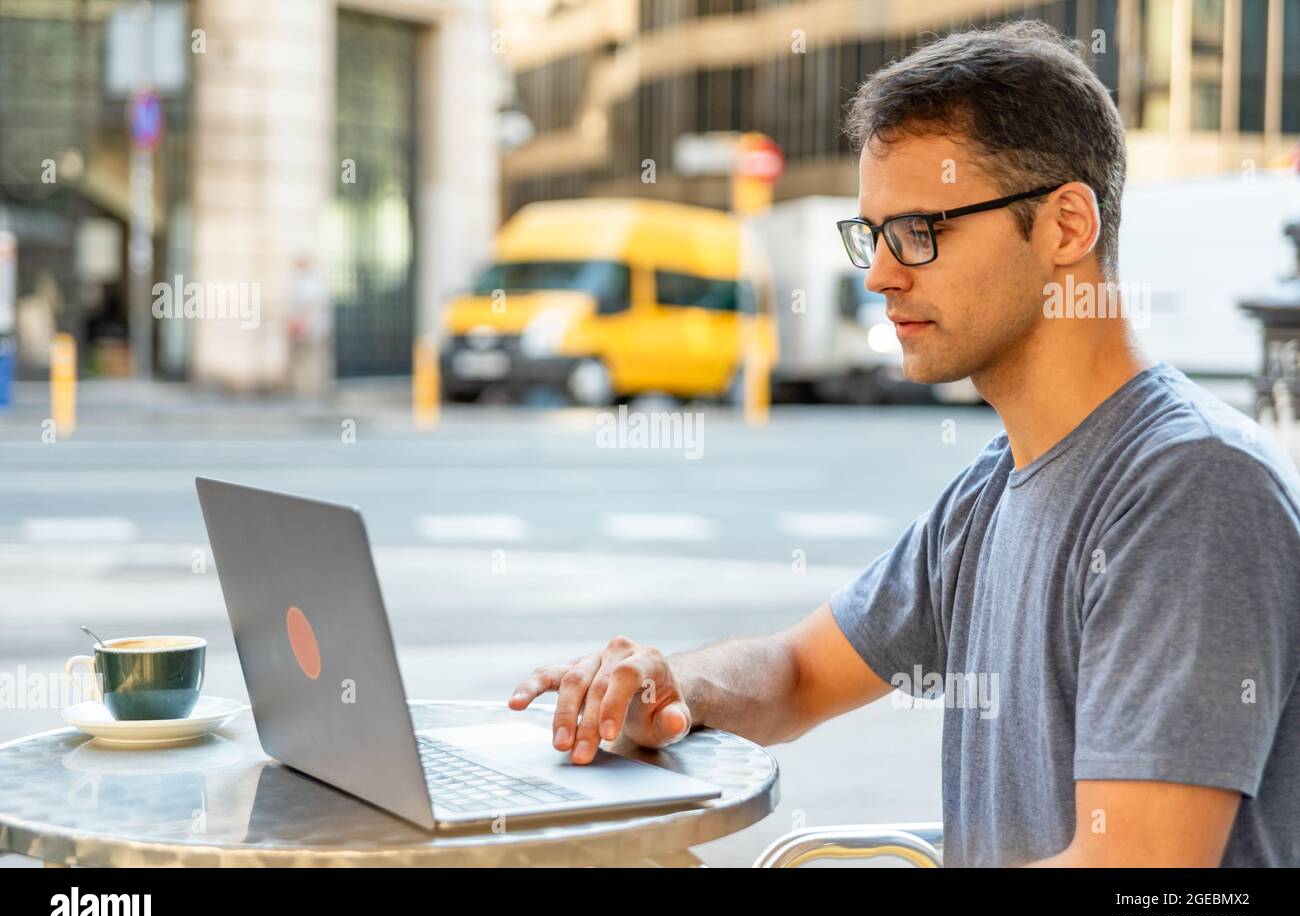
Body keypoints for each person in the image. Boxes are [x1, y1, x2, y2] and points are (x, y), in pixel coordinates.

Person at [507, 20, 1300, 867]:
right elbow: (799, 674)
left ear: (1067, 226)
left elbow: (1139, 879)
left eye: (921, 229)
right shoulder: (994, 489)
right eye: (872, 235)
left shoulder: (1191, 488)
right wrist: (673, 685)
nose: (881, 273)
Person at [286, 254, 332, 398]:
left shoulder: (307, 282)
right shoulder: (314, 280)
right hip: (314, 328)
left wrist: (301, 325)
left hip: (310, 329)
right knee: (313, 359)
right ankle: (312, 389)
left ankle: (312, 389)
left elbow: (310, 307)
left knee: (310, 360)